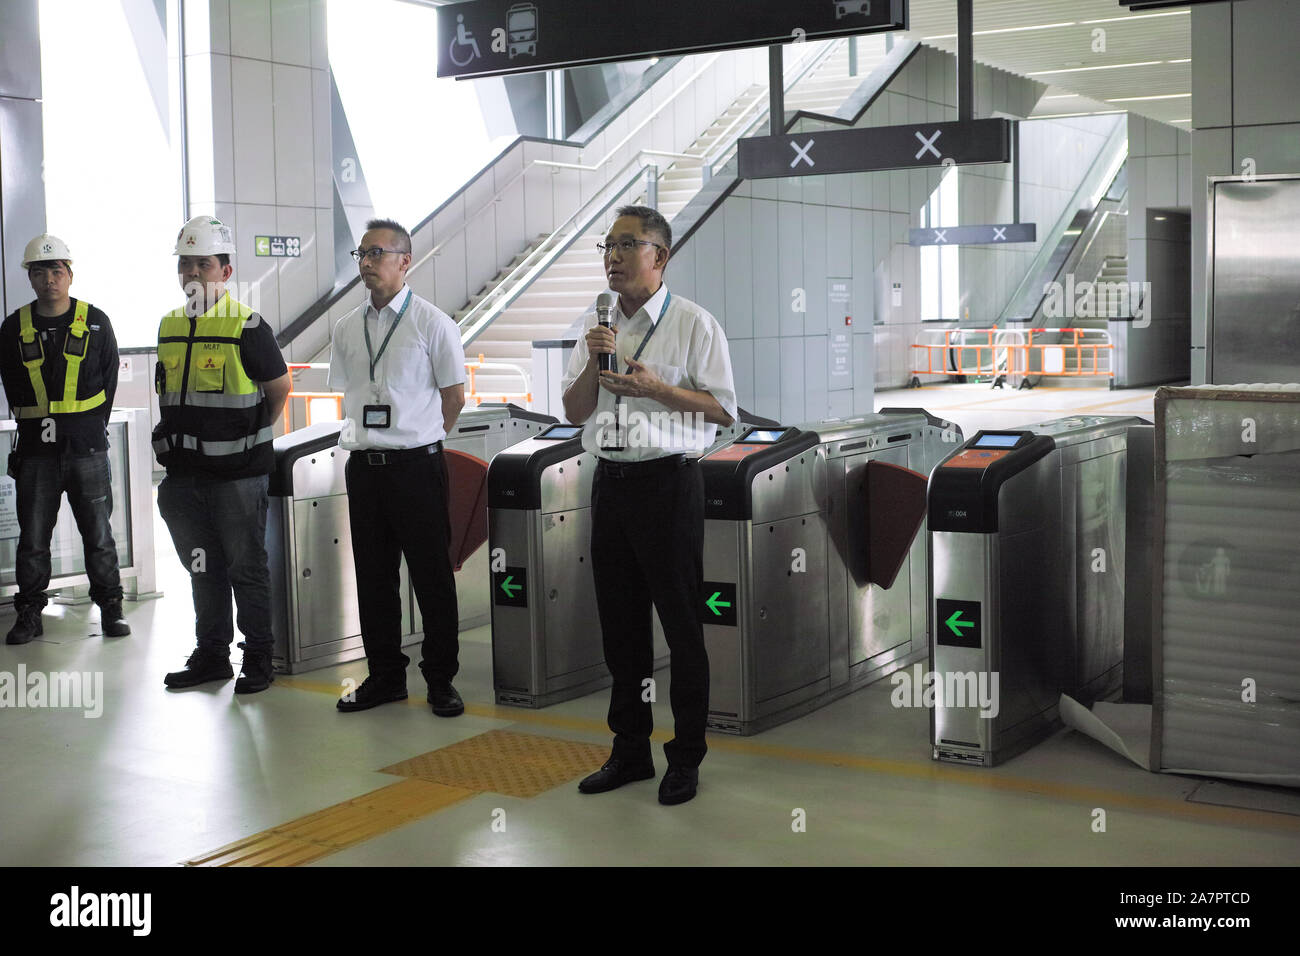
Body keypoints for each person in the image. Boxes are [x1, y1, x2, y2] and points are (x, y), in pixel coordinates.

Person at [561, 205, 737, 805]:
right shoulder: (595, 319)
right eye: (606, 245)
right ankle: (630, 749)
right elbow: (574, 411)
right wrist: (594, 358)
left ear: (658, 256)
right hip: (610, 484)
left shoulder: (694, 324)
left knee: (682, 627)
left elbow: (722, 411)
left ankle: (685, 755)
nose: (612, 256)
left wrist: (654, 387)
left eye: (625, 245)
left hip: (668, 485)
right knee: (622, 629)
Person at [327, 218, 467, 717]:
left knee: (431, 575)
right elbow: (347, 391)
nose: (366, 263)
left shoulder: (433, 323)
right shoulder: (346, 327)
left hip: (417, 468)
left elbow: (454, 397)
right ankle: (385, 676)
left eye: (377, 253)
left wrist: (423, 439)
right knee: (373, 576)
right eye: (361, 254)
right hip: (365, 467)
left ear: (405, 261)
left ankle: (441, 679)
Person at [154, 216, 291, 694]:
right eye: (186, 263)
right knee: (201, 567)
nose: (193, 272)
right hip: (185, 477)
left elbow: (279, 390)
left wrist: (249, 439)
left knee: (246, 569)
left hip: (237, 477)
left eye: (204, 264)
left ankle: (258, 658)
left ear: (226, 272)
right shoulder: (169, 325)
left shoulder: (248, 326)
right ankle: (211, 656)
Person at [0, 234, 130, 644]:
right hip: (37, 453)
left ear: (69, 275)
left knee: (98, 534)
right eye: (40, 271)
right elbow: (12, 386)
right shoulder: (12, 328)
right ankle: (30, 614)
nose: (49, 279)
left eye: (57, 270)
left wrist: (88, 428)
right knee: (33, 539)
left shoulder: (95, 321)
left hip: (87, 449)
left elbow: (107, 383)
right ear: (31, 278)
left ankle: (111, 608)